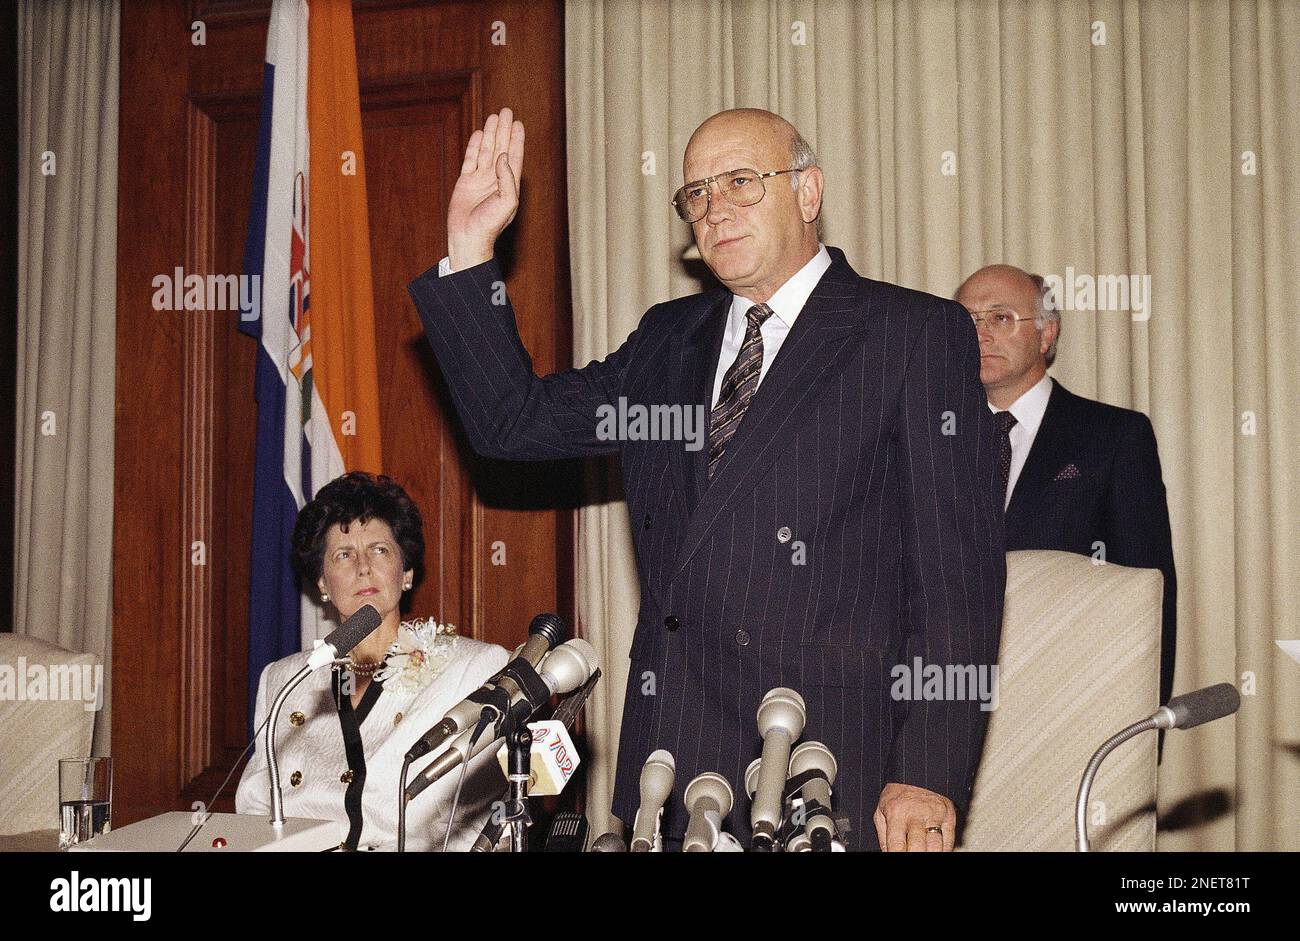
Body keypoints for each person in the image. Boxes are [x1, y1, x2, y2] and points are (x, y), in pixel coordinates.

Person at [409, 107, 1005, 851]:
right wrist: (470, 247)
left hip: (828, 764)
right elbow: (513, 422)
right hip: (672, 754)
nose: (714, 208)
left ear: (809, 192)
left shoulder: (911, 335)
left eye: (741, 182)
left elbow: (958, 584)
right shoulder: (668, 338)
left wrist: (929, 772)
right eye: (696, 193)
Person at [235, 472, 509, 850]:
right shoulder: (284, 680)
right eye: (343, 555)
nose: (363, 567)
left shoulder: (472, 668)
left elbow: (492, 821)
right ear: (322, 585)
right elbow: (254, 809)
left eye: (379, 550)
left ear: (407, 572)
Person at [956, 264, 1177, 716]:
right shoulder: (927, 438)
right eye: (968, 320)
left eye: (1000, 318)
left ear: (1046, 334)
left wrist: (1138, 729)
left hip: (1070, 702)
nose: (981, 334)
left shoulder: (1113, 437)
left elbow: (1149, 595)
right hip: (948, 703)